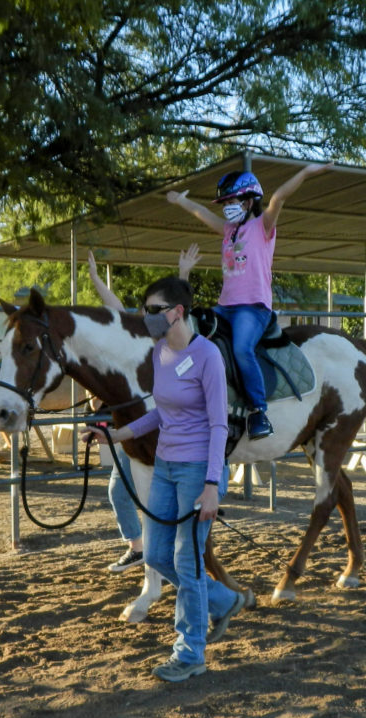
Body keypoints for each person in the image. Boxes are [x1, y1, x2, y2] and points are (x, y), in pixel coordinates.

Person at [83, 274, 244, 683]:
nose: (147, 317)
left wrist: (211, 485)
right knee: (156, 555)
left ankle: (189, 653)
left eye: (153, 311)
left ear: (177, 312)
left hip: (197, 471)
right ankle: (223, 599)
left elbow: (219, 424)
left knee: (186, 564)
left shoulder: (207, 356)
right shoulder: (159, 354)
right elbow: (161, 412)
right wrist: (118, 433)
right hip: (167, 466)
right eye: (144, 311)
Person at [167, 162, 333, 439]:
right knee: (192, 330)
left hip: (253, 308)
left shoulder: (262, 227)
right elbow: (202, 212)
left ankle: (258, 412)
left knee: (242, 349)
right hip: (225, 305)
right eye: (225, 202)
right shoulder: (229, 231)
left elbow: (279, 197)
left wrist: (305, 173)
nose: (227, 206)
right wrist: (182, 202)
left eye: (232, 201)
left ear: (248, 201)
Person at [86, 245, 206, 574]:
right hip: (138, 426)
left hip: (164, 432)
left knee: (160, 501)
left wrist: (183, 275)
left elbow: (184, 313)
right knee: (117, 491)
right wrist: (96, 280)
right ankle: (138, 549)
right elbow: (115, 308)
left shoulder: (177, 339)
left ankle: (164, 559)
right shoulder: (141, 332)